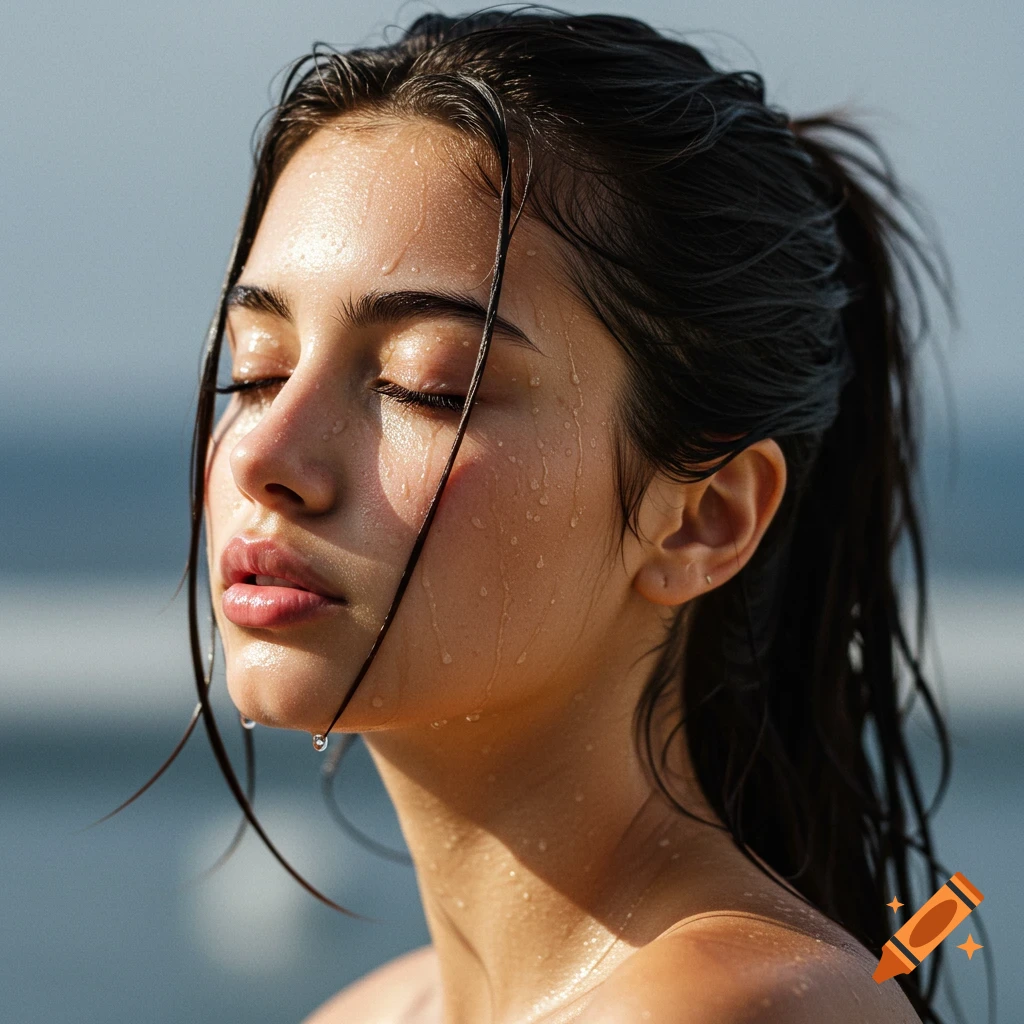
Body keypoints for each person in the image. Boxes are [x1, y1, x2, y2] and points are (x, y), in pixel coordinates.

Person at [156, 7, 968, 1022]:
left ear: (704, 518)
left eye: (428, 386)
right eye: (257, 371)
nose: (264, 456)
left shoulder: (729, 1009)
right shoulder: (369, 1011)